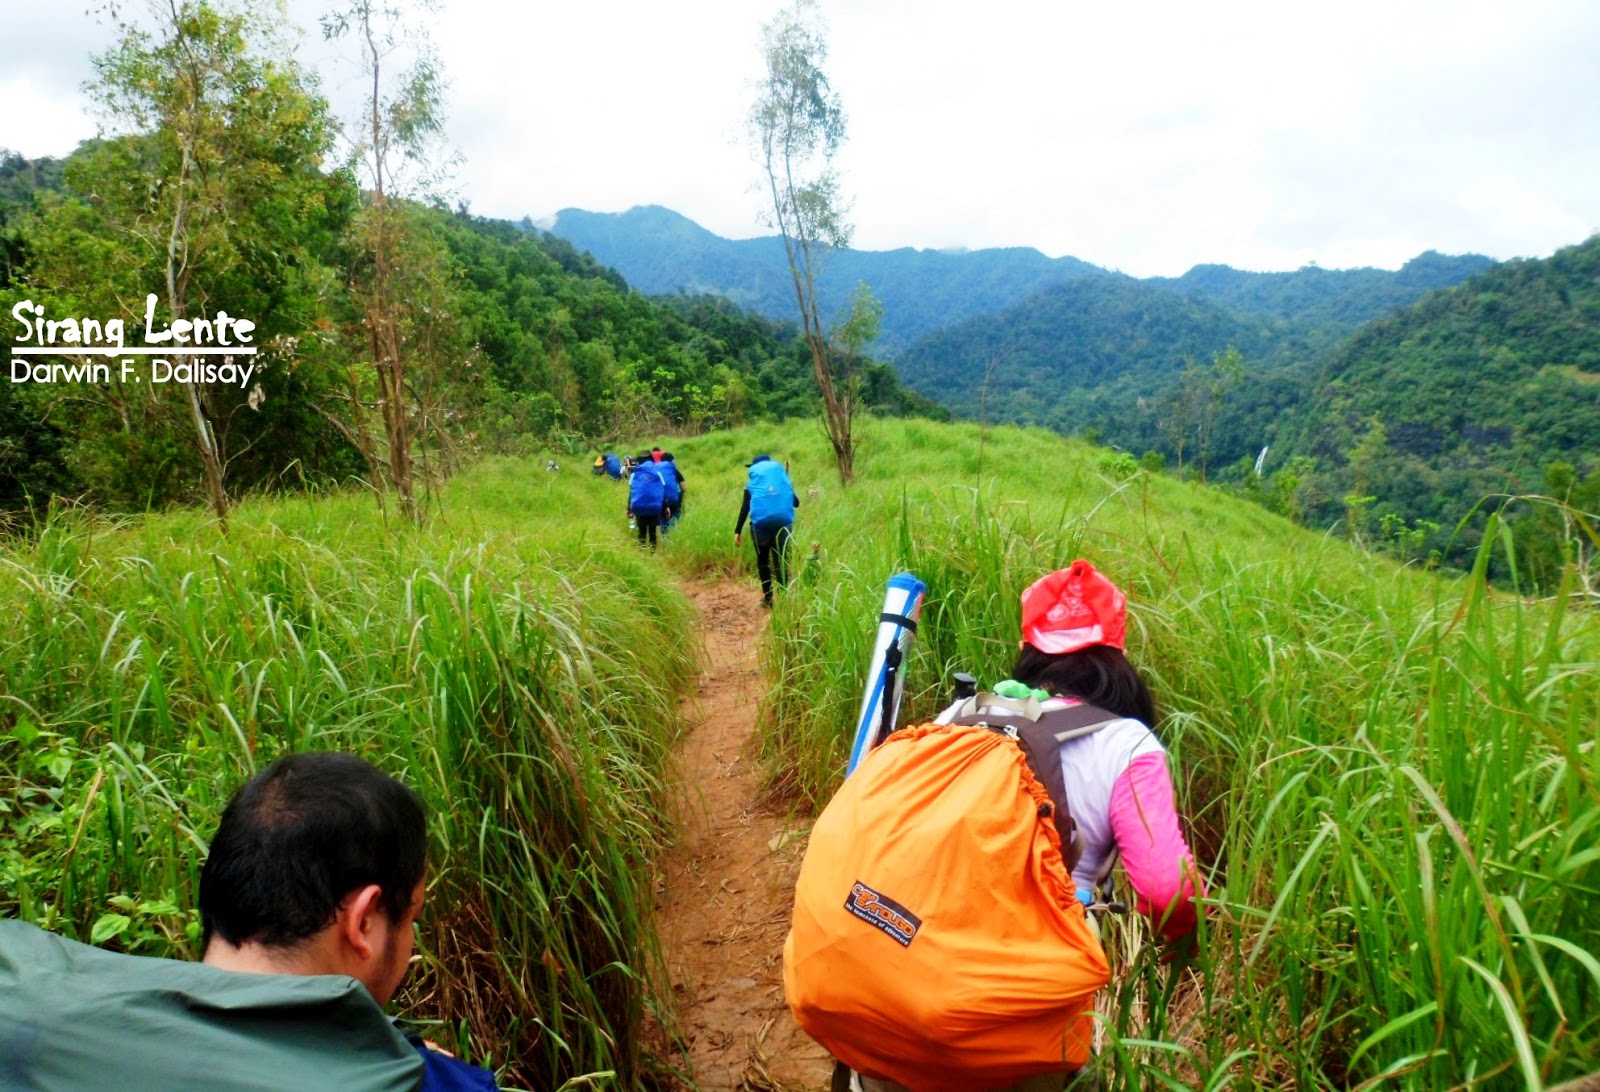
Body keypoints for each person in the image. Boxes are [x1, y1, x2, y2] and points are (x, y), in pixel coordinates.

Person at [795, 561, 1204, 1092]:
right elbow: (1166, 888)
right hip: (1010, 1030)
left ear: (1028, 646)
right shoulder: (1127, 744)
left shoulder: (962, 713)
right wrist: (1183, 946)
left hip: (889, 987)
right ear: (1117, 654)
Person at [0, 752, 497, 1090]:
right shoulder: (419, 1082)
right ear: (363, 920)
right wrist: (418, 1063)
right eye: (411, 915)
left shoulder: (25, 993)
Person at [733, 453, 798, 608]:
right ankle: (784, 598)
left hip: (760, 528)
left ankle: (768, 599)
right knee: (780, 560)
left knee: (763, 562)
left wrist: (738, 531)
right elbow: (796, 503)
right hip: (783, 526)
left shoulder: (752, 484)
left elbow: (745, 508)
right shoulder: (782, 480)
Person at [628, 453, 669, 549]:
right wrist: (666, 507)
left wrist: (629, 508)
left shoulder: (634, 474)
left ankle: (642, 553)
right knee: (652, 532)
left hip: (639, 506)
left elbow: (632, 493)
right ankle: (652, 553)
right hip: (654, 507)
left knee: (642, 532)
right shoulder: (657, 473)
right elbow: (663, 491)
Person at [659, 452, 686, 533]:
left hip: (660, 500)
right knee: (675, 516)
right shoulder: (674, 470)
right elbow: (684, 488)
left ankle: (664, 538)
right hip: (673, 500)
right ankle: (674, 535)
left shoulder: (656, 470)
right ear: (672, 461)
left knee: (663, 519)